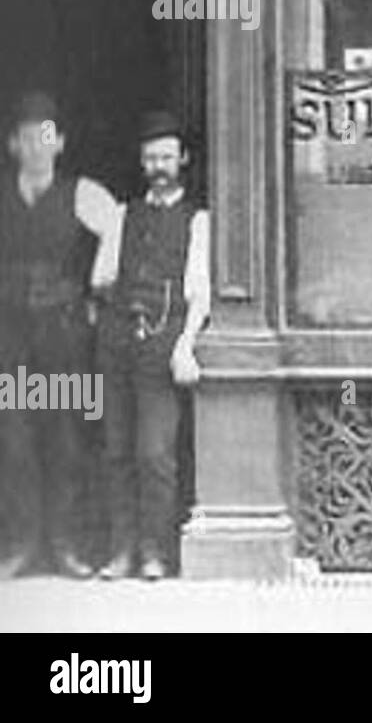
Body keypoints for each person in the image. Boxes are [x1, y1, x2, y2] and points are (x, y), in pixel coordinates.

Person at [0, 91, 121, 579]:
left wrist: (96, 296)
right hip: (10, 339)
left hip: (64, 338)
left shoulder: (84, 194)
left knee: (66, 436)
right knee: (15, 437)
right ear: (13, 145)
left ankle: (66, 543)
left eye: (44, 137)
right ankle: (23, 544)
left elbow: (120, 242)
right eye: (27, 138)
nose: (35, 146)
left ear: (60, 143)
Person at [96, 110, 208, 580]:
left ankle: (155, 553)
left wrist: (185, 345)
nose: (159, 166)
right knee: (116, 449)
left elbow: (199, 291)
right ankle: (121, 552)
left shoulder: (197, 219)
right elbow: (102, 279)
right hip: (119, 340)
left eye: (166, 156)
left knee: (154, 454)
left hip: (165, 343)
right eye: (150, 158)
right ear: (142, 164)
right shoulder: (123, 214)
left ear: (182, 159)